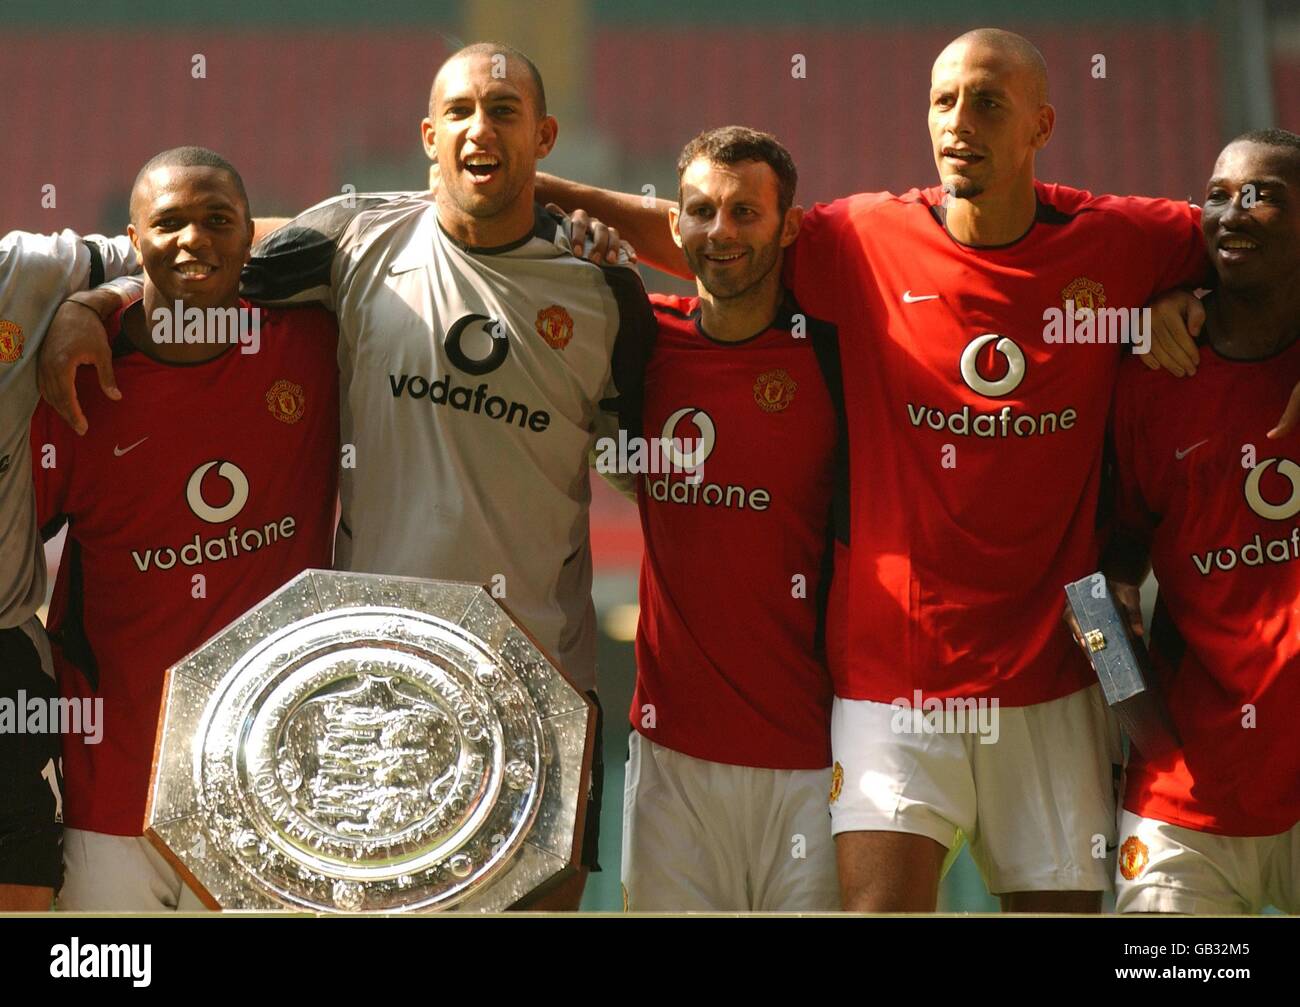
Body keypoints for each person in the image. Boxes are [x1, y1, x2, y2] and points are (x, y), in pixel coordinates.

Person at [539, 28, 1222, 913]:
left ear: (1041, 125)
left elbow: (1257, 250)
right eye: (943, 101)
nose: (960, 121)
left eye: (988, 103)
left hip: (1056, 671)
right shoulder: (866, 239)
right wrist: (526, 192)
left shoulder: (1122, 241)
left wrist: (1188, 298)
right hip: (892, 675)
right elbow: (713, 243)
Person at [41, 43, 655, 910]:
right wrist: (95, 299)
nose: (480, 128)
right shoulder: (352, 241)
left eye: (504, 111)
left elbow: (649, 465)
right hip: (375, 687)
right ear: (428, 137)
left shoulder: (602, 290)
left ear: (544, 136)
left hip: (541, 680)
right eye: (459, 111)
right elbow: (201, 259)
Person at [32, 146, 340, 910]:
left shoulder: (313, 347)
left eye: (218, 220)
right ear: (133, 242)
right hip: (112, 798)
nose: (193, 239)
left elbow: (390, 233)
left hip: (268, 794)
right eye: (168, 223)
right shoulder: (75, 380)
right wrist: (90, 308)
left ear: (250, 237)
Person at [616, 126, 840, 910]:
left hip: (814, 759)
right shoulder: (642, 339)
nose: (721, 231)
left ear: (790, 225)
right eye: (702, 211)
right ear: (674, 225)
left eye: (745, 212)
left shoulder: (835, 355)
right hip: (669, 759)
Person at [1104, 129, 1300, 915]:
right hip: (1188, 796)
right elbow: (1106, 568)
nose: (1233, 212)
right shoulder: (1151, 377)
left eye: (1263, 196)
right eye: (1217, 195)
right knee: (1184, 971)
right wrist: (1138, 718)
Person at [0, 227, 138, 910]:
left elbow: (187, 241)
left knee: (21, 891)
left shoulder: (21, 274)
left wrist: (96, 300)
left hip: (4, 661)